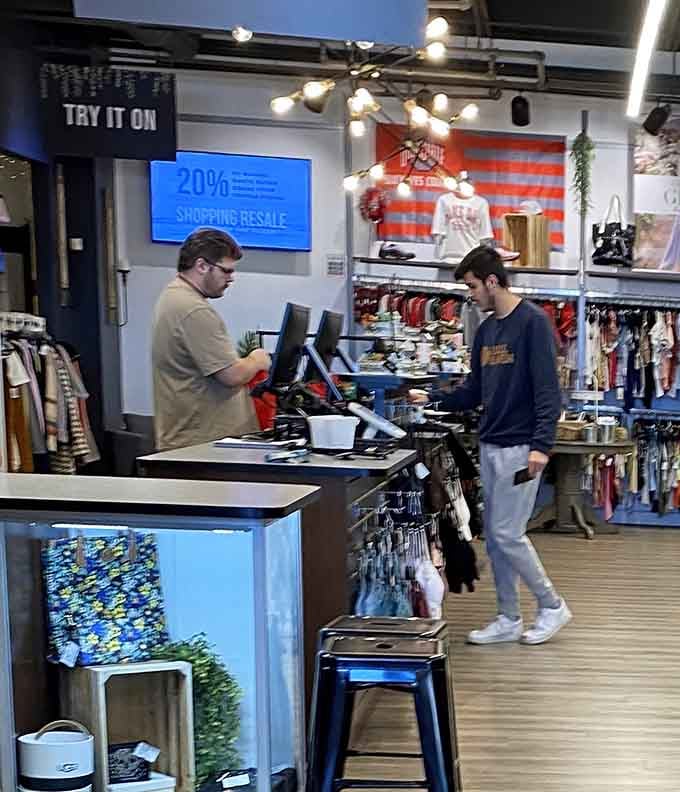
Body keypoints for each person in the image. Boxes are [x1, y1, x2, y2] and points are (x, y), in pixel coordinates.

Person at [414, 246, 571, 645]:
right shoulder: (487, 331)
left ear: (492, 281)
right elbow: (474, 390)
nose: (470, 295)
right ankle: (508, 617)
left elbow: (548, 392)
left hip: (522, 447)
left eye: (471, 286)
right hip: (491, 443)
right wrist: (430, 398)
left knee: (507, 534)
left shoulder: (533, 323)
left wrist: (542, 446)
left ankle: (552, 605)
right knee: (498, 538)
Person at [152, 227, 271, 451]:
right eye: (226, 271)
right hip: (201, 446)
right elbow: (231, 374)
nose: (231, 278)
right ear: (201, 266)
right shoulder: (192, 309)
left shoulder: (176, 297)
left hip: (200, 443)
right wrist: (256, 359)